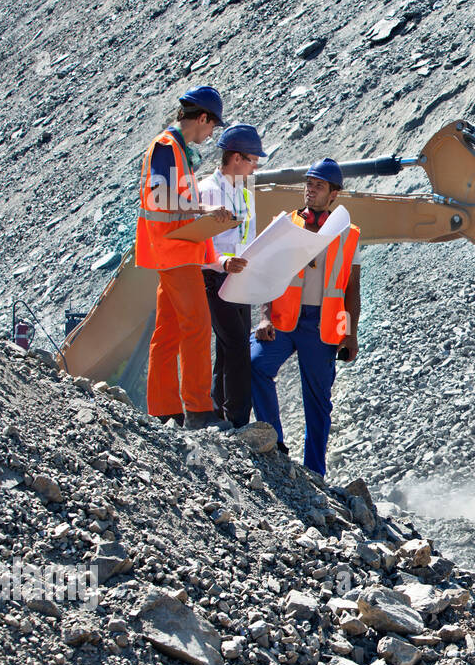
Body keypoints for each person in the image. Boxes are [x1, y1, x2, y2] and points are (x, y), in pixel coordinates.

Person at [250, 158, 361, 475]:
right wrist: (264, 317)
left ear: (334, 194)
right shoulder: (285, 224)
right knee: (256, 363)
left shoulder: (349, 234)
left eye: (319, 186)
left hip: (323, 326)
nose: (311, 191)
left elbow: (350, 290)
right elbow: (268, 275)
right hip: (284, 319)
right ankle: (275, 445)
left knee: (318, 403)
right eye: (308, 184)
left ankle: (315, 471)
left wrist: (349, 334)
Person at [137, 85, 235, 430]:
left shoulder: (177, 150)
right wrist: (204, 207)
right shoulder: (167, 147)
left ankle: (164, 410)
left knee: (169, 332)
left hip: (175, 251)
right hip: (175, 251)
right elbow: (159, 198)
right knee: (197, 326)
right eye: (212, 127)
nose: (211, 134)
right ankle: (198, 411)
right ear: (203, 118)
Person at [199, 123, 265, 428]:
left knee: (229, 348)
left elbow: (246, 235)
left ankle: (219, 412)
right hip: (216, 279)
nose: (255, 167)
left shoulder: (244, 191)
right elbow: (202, 244)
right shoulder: (207, 192)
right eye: (253, 160)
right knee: (238, 346)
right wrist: (224, 264)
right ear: (236, 158)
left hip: (239, 279)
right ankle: (238, 421)